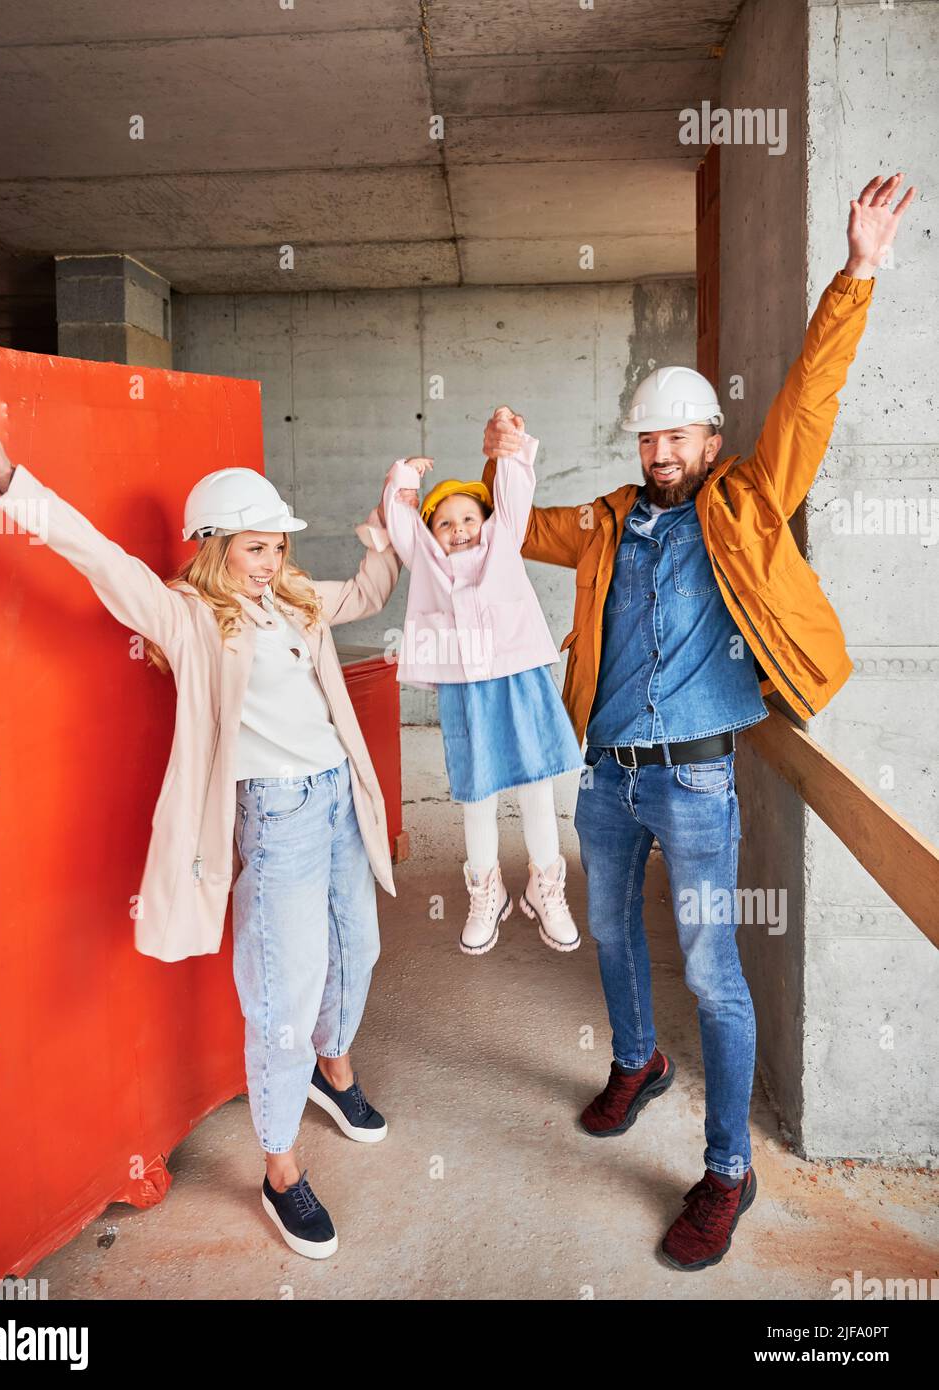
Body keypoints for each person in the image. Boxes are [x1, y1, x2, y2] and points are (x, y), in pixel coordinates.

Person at [480, 172, 915, 1270]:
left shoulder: (747, 502)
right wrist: (496, 469)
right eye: (647, 442)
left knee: (713, 972)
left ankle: (728, 1171)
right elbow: (514, 530)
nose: (660, 456)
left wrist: (857, 272)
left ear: (710, 438)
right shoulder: (610, 519)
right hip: (608, 774)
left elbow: (810, 399)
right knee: (616, 931)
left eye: (676, 440)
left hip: (699, 780)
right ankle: (637, 1060)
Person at [0, 385, 409, 1261]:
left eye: (277, 547)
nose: (271, 562)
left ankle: (333, 1069)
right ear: (214, 547)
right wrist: (7, 480)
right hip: (276, 819)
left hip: (339, 796)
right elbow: (97, 560)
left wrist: (391, 519)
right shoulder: (188, 618)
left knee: (361, 949)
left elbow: (373, 591)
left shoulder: (298, 601)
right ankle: (280, 1171)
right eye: (256, 548)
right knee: (281, 995)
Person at [381, 423, 585, 954]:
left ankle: (546, 886)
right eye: (445, 522)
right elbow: (400, 521)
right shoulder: (424, 558)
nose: (460, 528)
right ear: (431, 531)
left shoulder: (503, 541)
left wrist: (509, 446)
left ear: (486, 520)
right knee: (478, 794)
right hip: (465, 689)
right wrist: (403, 479)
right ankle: (486, 890)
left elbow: (514, 491)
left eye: (469, 517)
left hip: (519, 678)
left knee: (537, 787)